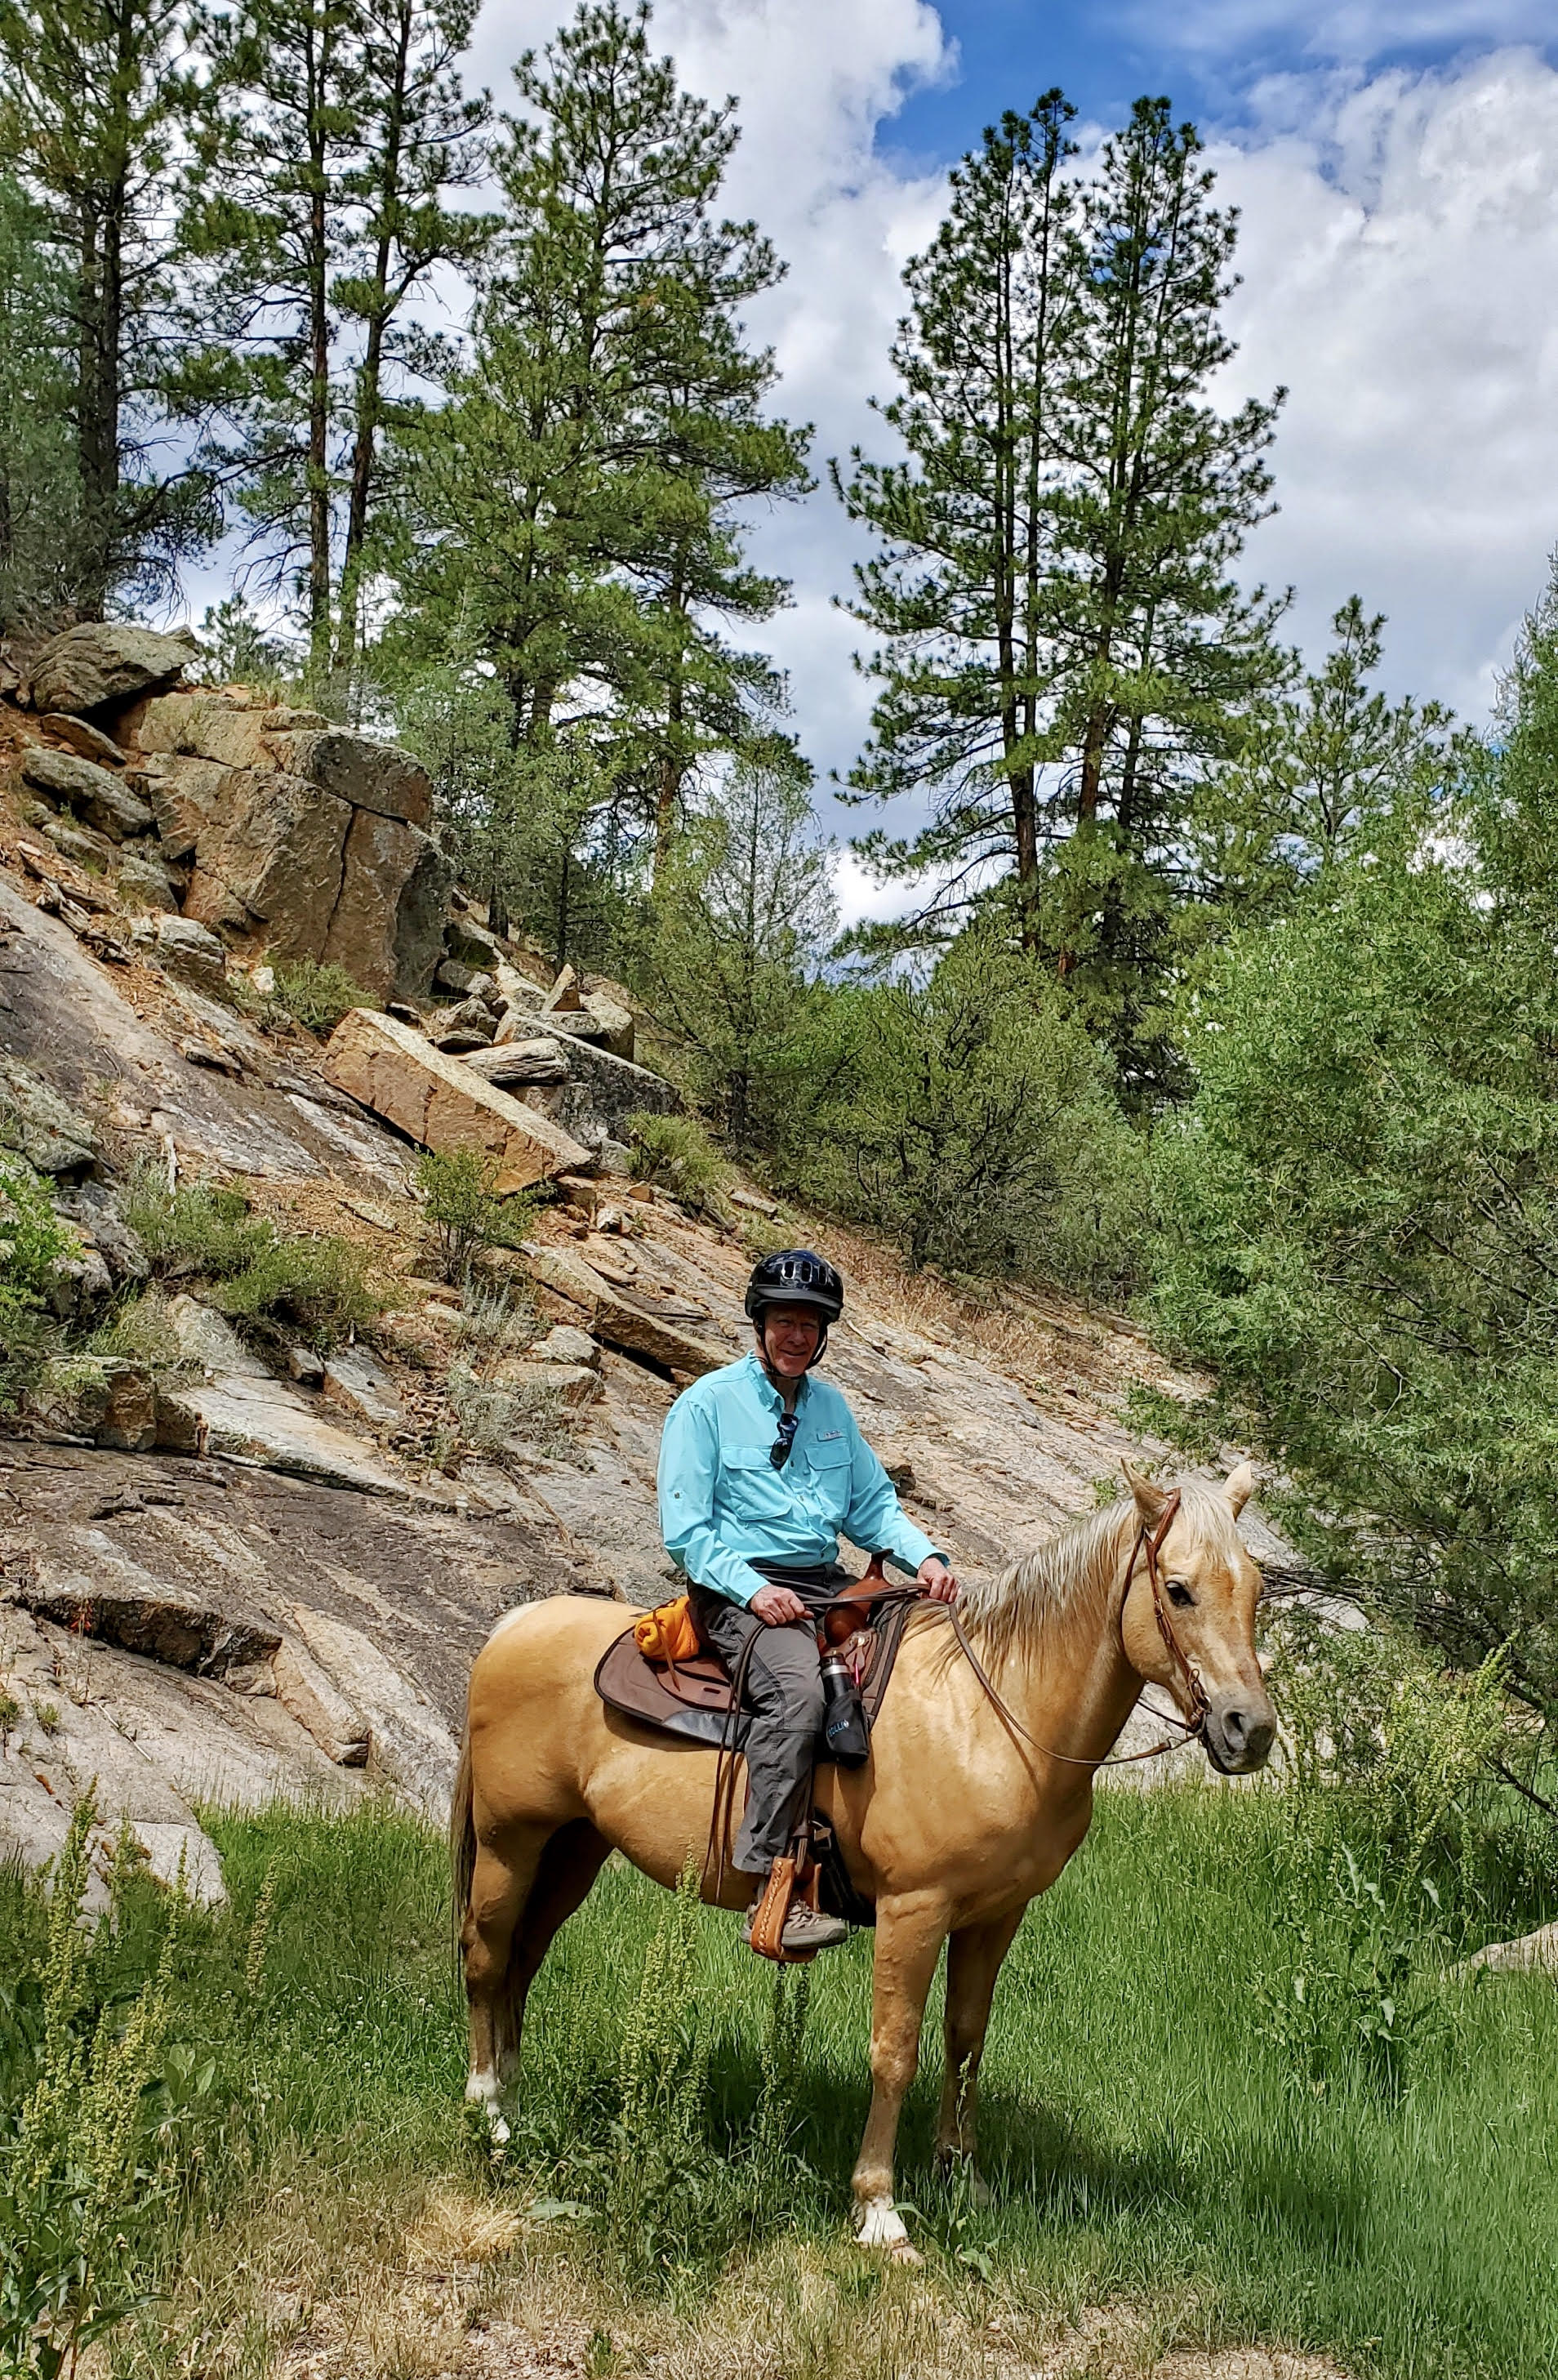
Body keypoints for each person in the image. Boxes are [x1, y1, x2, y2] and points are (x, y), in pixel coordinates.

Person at [657, 1248, 958, 1955]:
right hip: (737, 1588)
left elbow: (872, 1505)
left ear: (825, 1334)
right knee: (799, 1694)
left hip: (825, 1579)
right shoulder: (706, 1405)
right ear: (760, 1323)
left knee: (924, 1659)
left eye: (810, 1324)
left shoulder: (831, 1408)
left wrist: (928, 1557)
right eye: (784, 1321)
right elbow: (686, 1531)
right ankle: (771, 1887)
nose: (797, 1335)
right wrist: (756, 1591)